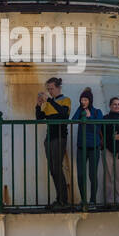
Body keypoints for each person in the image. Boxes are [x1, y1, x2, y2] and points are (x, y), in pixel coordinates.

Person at [35, 77, 72, 208]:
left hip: (60, 137)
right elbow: (39, 118)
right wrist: (38, 105)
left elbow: (63, 115)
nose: (50, 91)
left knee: (57, 168)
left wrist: (49, 100)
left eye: (51, 88)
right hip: (49, 138)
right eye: (48, 89)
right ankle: (59, 199)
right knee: (53, 169)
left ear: (58, 87)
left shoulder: (66, 100)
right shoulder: (49, 103)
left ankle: (63, 200)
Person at [71, 88, 104, 207]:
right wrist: (81, 110)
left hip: (93, 148)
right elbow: (73, 120)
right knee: (80, 175)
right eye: (81, 100)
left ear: (90, 100)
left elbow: (97, 129)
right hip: (81, 147)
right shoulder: (80, 111)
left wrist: (89, 118)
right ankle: (83, 200)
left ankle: (93, 200)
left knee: (92, 175)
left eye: (85, 100)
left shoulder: (97, 112)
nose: (83, 102)